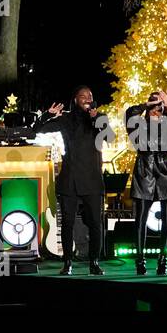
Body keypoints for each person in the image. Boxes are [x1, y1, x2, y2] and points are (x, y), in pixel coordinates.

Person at [33, 86, 113, 275]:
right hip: (69, 180)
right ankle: (67, 262)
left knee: (95, 223)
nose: (87, 98)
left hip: (92, 180)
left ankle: (94, 262)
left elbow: (109, 137)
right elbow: (36, 131)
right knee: (67, 223)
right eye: (83, 96)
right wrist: (47, 115)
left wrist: (96, 119)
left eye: (90, 95)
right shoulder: (66, 120)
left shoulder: (100, 118)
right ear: (75, 99)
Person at [125, 90, 167, 275]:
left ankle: (162, 259)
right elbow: (129, 113)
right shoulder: (138, 125)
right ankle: (140, 259)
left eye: (159, 106)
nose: (156, 109)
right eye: (153, 105)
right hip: (145, 168)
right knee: (141, 217)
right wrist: (146, 105)